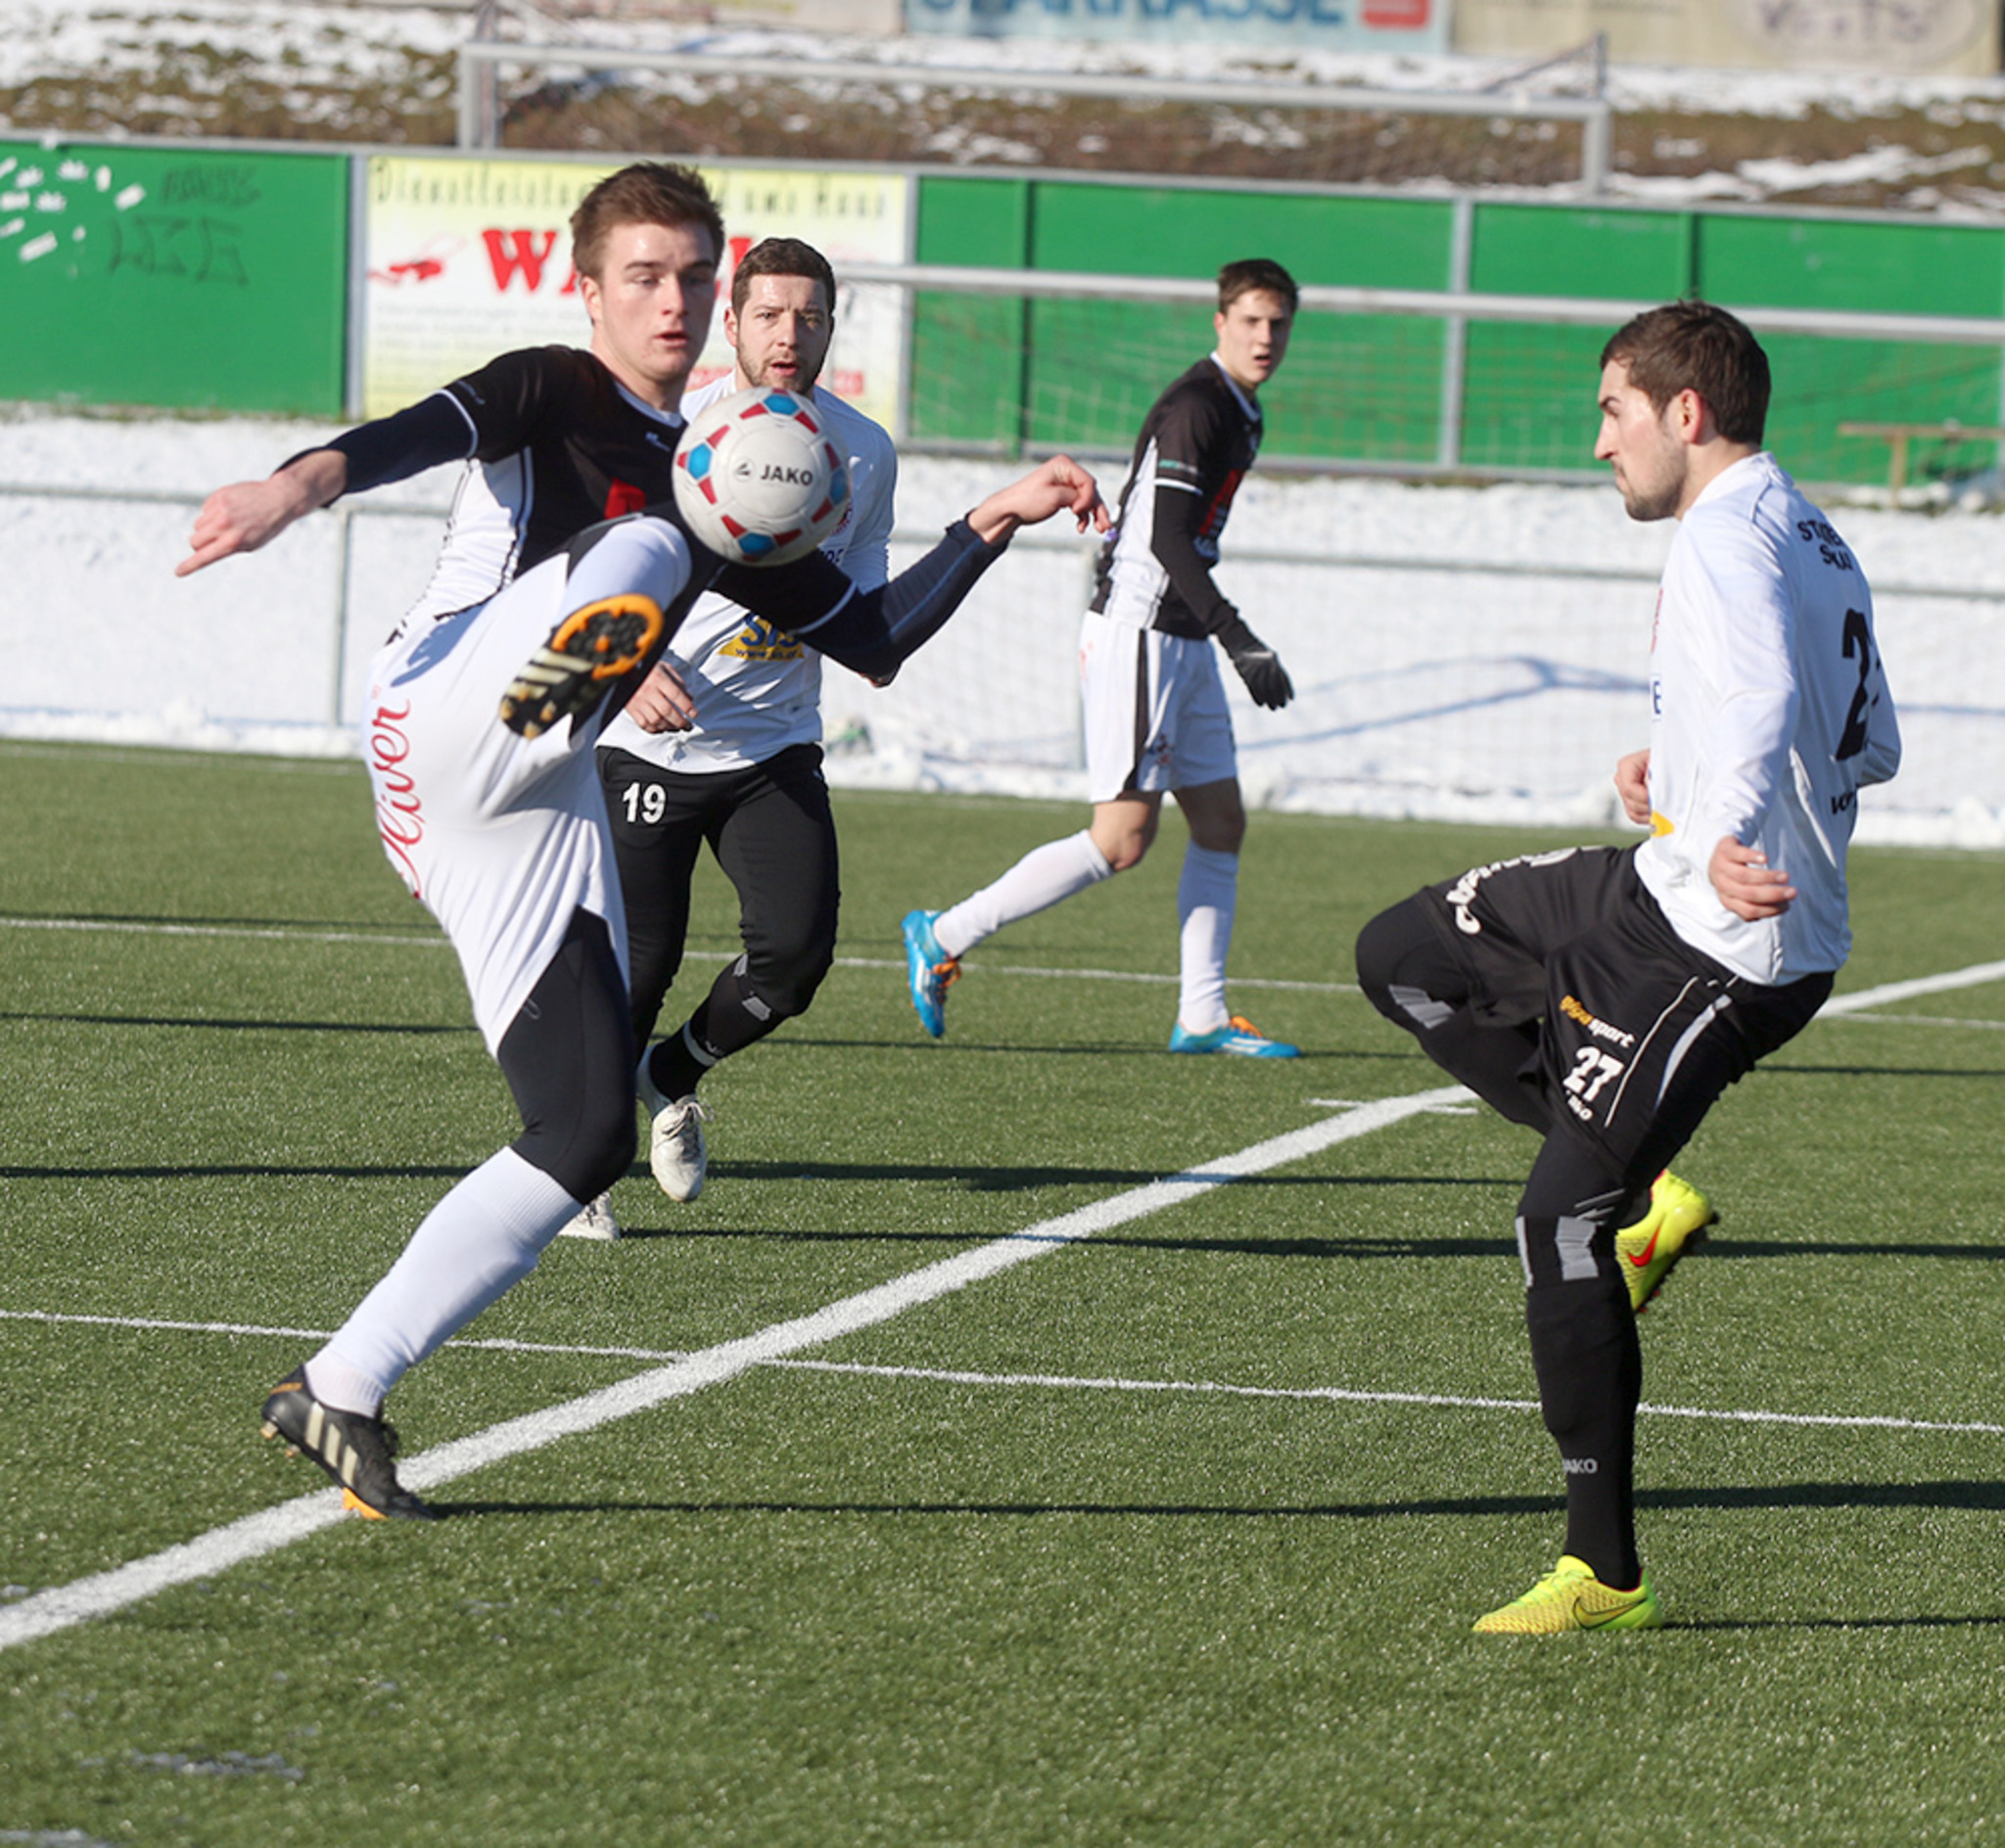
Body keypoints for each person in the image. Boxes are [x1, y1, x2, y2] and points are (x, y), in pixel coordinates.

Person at [175, 161, 1106, 1519]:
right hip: (444, 709)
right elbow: (418, 433)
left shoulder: (728, 481)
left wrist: (992, 519)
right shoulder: (557, 392)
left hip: (510, 808)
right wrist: (294, 488)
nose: (669, 300)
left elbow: (875, 641)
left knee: (584, 1132)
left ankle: (340, 1386)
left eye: (690, 275)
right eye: (642, 275)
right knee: (656, 550)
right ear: (590, 289)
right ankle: (587, 676)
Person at [1352, 300, 1900, 1633]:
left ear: (1684, 413)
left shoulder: (1721, 537)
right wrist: (1683, 775)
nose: (1600, 443)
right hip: (1660, 883)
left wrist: (1720, 831)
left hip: (1730, 941)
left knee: (1557, 1224)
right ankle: (1637, 1186)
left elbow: (1767, 702)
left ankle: (1602, 1570)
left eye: (1612, 411)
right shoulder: (1812, 531)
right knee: (1403, 955)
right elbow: (1871, 744)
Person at [559, 237, 899, 1239]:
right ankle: (580, 1168)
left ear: (830, 329)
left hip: (773, 747)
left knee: (794, 959)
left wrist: (874, 637)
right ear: (733, 322)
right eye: (769, 315)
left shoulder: (862, 451)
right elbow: (577, 566)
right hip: (649, 745)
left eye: (810, 317)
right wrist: (622, 668)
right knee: (639, 965)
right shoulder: (676, 436)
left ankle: (669, 1074)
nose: (789, 335)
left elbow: (866, 598)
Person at [901, 258, 1303, 1058]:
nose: (1265, 337)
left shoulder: (1243, 408)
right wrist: (1239, 637)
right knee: (1121, 838)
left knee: (1220, 821)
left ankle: (1202, 1016)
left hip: (1182, 634)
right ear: (1220, 322)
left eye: (1278, 324)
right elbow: (1165, 538)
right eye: (1251, 321)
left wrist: (1217, 634)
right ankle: (943, 933)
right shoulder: (1197, 406)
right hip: (1141, 628)